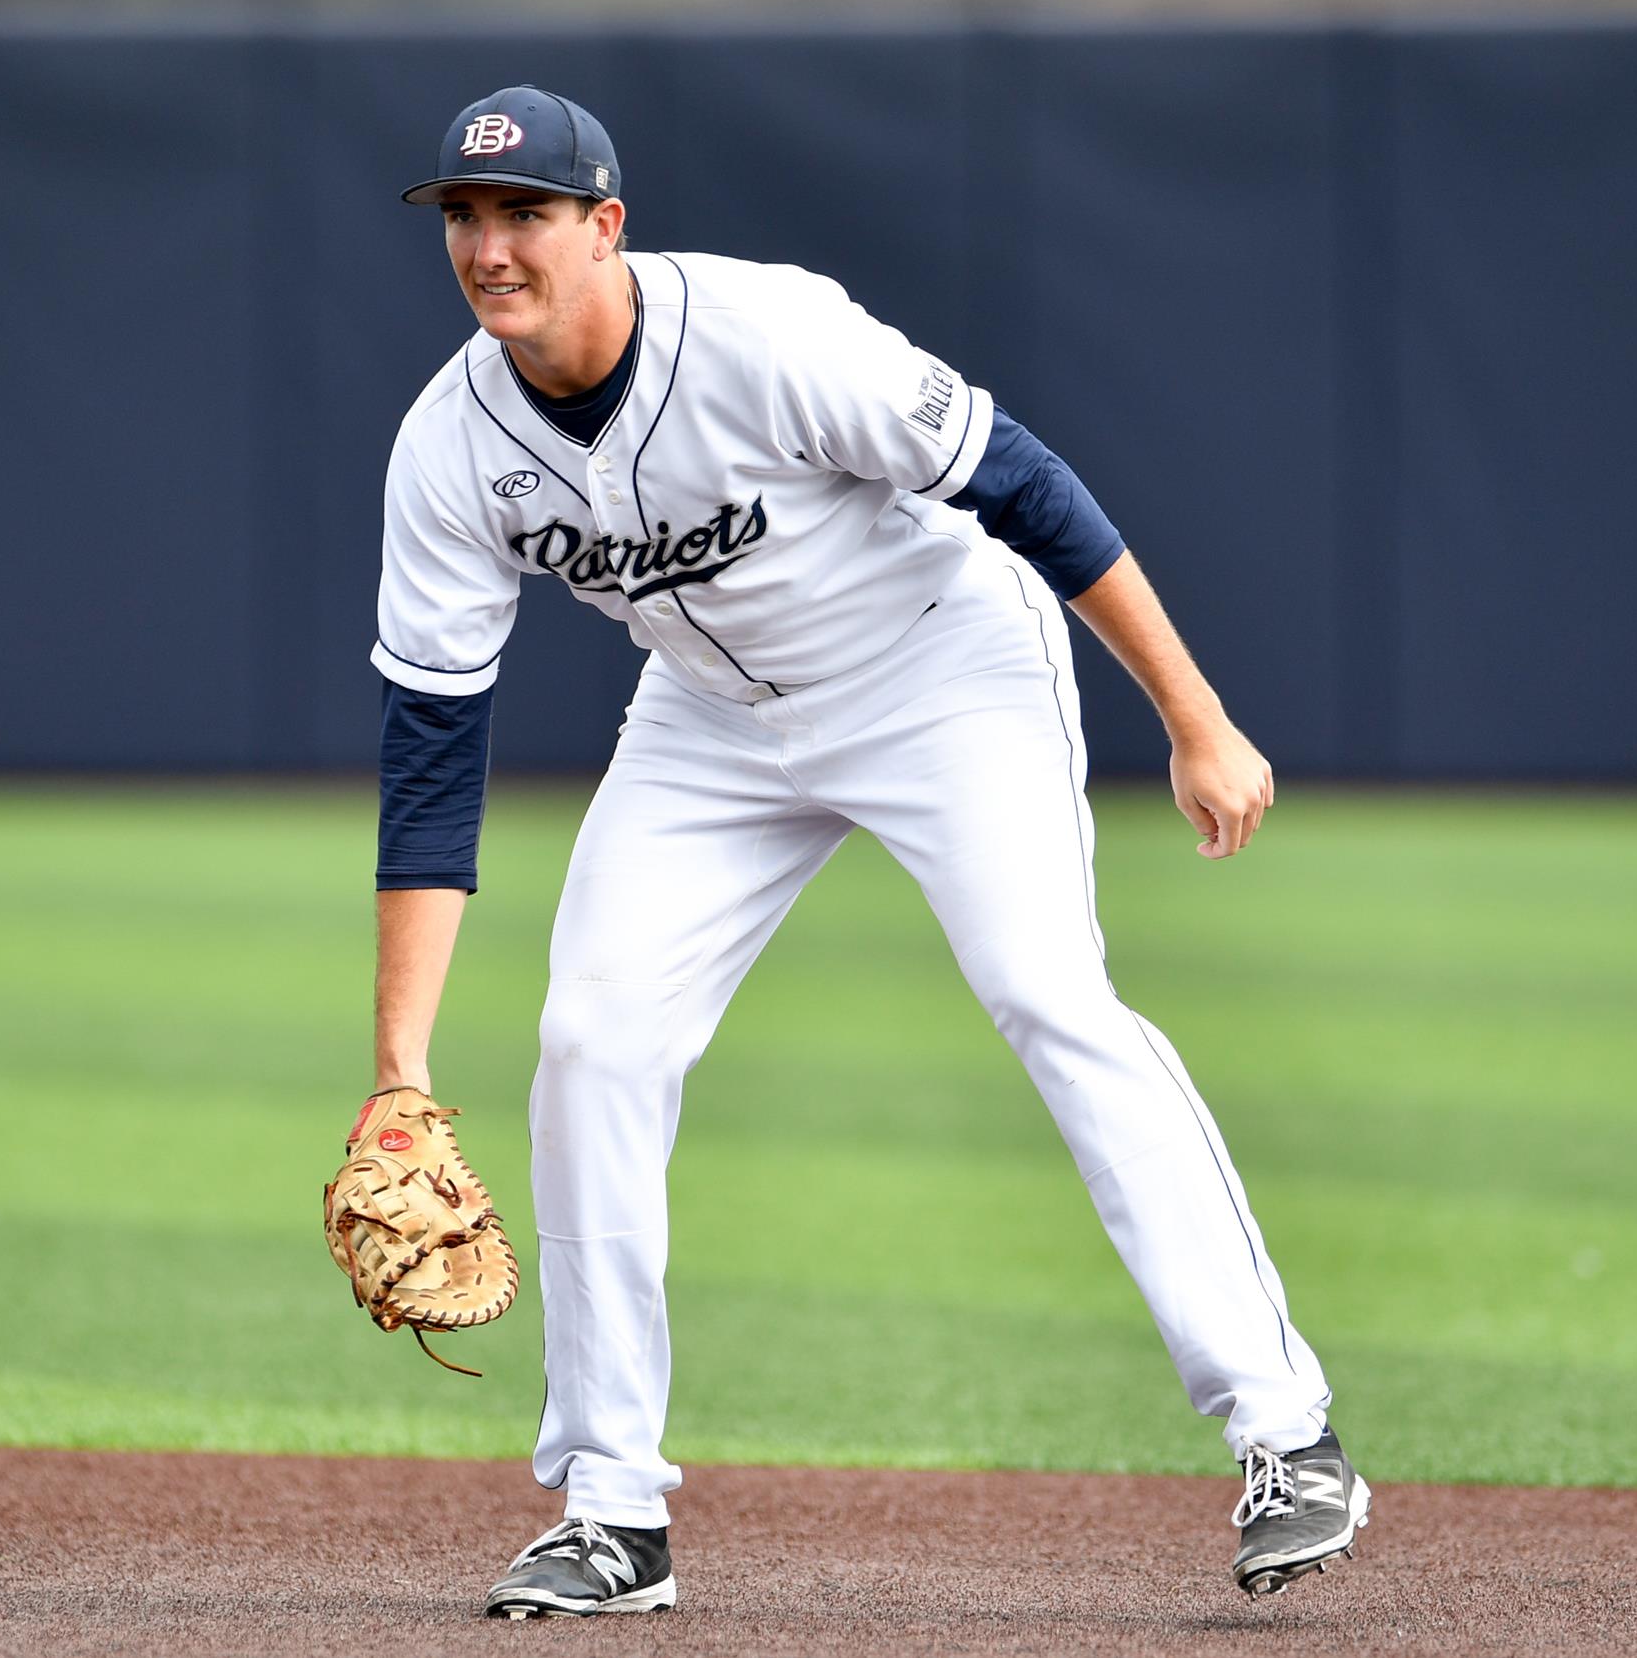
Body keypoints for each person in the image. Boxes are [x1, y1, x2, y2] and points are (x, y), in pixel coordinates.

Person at [367, 85, 1369, 1619]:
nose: (490, 246)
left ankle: (1286, 1430)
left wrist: (1195, 713)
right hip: (711, 720)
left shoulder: (770, 338)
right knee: (589, 1040)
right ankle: (610, 1509)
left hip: (937, 665)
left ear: (604, 224)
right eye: (466, 219)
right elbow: (434, 757)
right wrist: (401, 1067)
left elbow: (1022, 482)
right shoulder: (450, 448)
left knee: (1048, 991)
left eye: (525, 214)